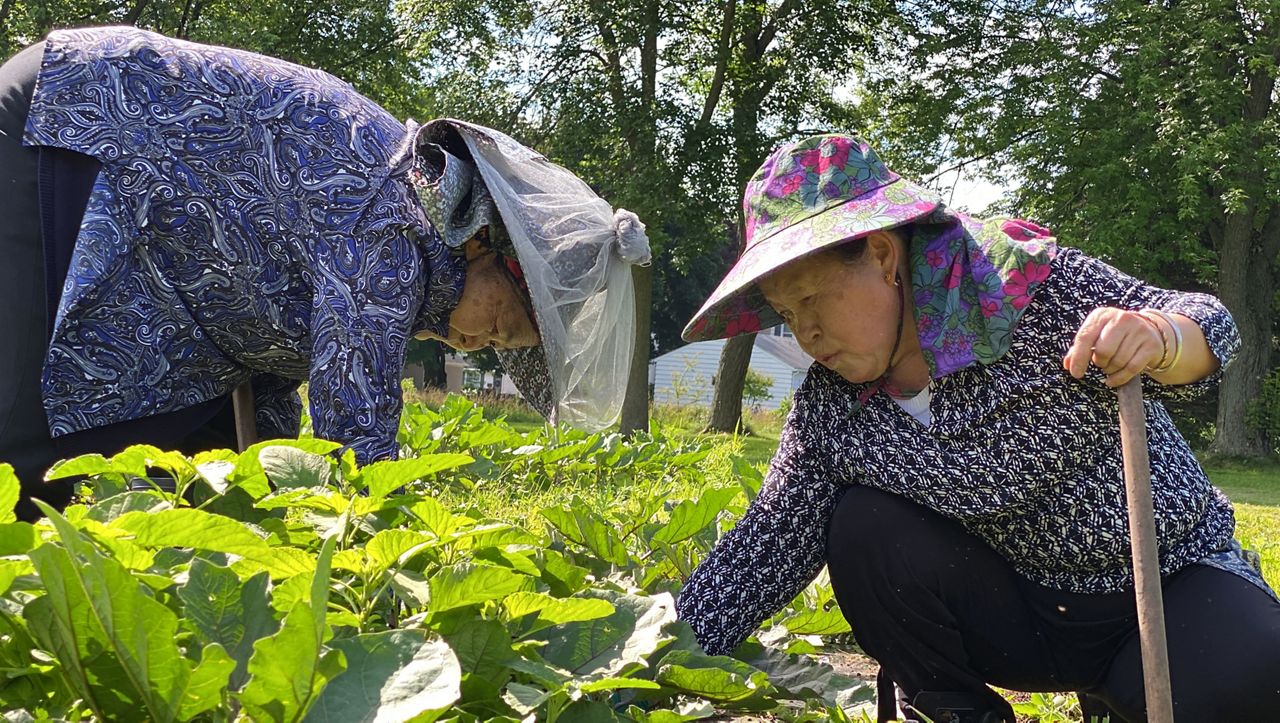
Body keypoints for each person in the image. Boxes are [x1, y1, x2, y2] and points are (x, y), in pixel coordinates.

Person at [676, 134, 1280, 722]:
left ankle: (1119, 698)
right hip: (1021, 619)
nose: (804, 333)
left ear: (883, 256)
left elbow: (1211, 324)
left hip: (1166, 589)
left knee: (1254, 680)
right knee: (863, 523)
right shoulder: (833, 410)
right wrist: (645, 651)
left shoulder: (1036, 293)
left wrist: (1159, 336)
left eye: (813, 300)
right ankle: (955, 710)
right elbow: (762, 549)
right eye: (786, 314)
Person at [0, 27, 649, 522]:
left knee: (201, 480)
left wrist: (271, 513)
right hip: (72, 130)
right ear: (483, 246)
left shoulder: (402, 234)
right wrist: (391, 561)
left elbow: (271, 390)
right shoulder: (390, 229)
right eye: (502, 324)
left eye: (502, 351)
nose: (483, 344)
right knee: (28, 446)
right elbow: (355, 437)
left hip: (126, 199)